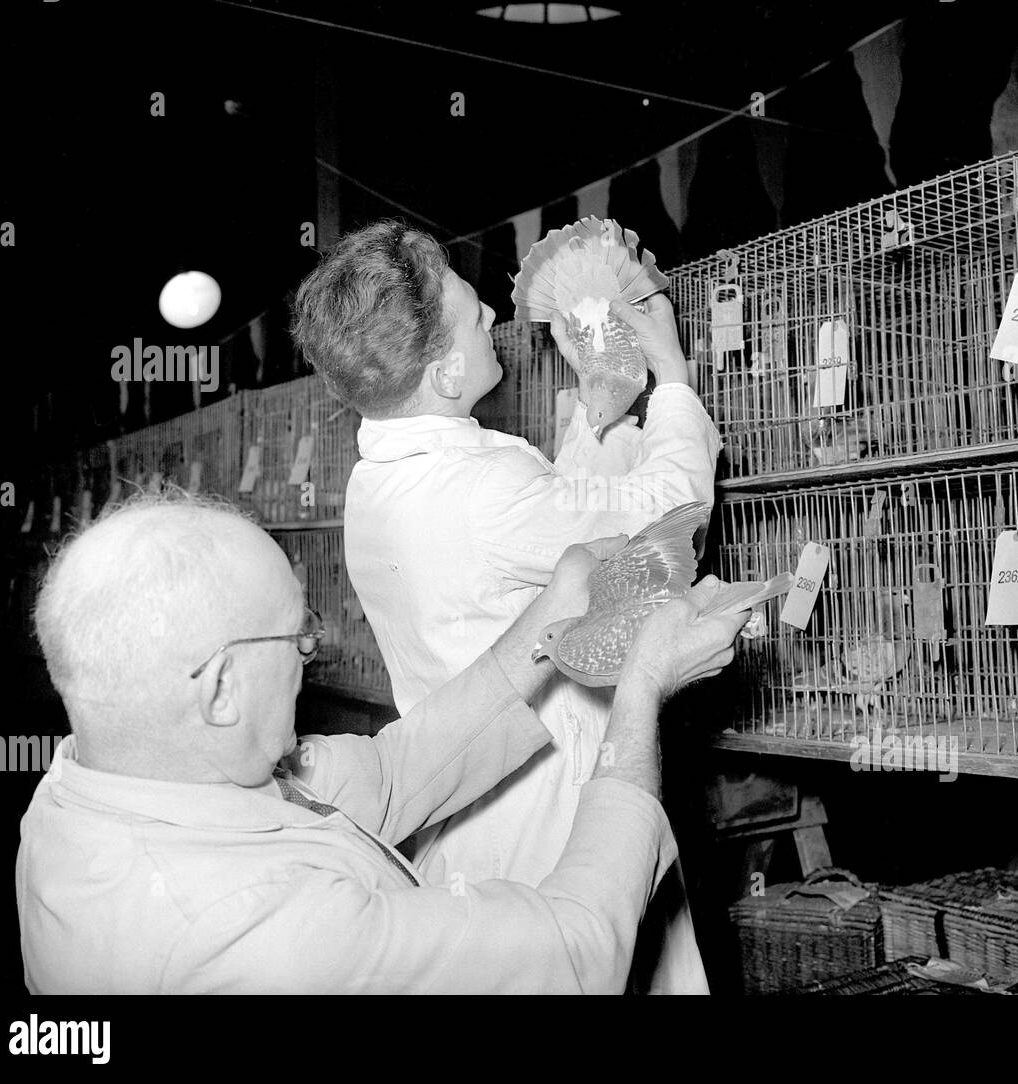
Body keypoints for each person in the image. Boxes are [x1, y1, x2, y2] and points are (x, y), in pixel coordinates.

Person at [16, 494, 750, 993]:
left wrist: (552, 615)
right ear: (219, 690)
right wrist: (642, 686)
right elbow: (578, 950)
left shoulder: (104, 784)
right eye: (298, 637)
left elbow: (393, 775)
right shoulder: (245, 931)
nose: (314, 652)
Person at [292, 219, 721, 992]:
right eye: (473, 312)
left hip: (470, 807)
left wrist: (598, 418)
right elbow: (662, 514)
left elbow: (545, 535)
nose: (493, 312)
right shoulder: (479, 492)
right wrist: (673, 377)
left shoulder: (382, 478)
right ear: (448, 374)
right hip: (550, 814)